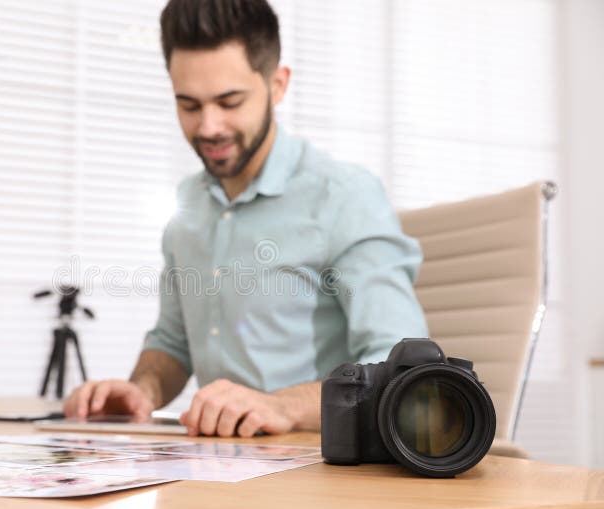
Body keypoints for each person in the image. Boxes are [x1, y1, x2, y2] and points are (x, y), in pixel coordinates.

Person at [64, 0, 428, 437]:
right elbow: (173, 344)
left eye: (229, 101)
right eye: (189, 105)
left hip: (314, 466)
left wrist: (280, 406)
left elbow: (402, 365)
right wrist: (142, 390)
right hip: (217, 462)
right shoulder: (189, 203)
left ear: (277, 85)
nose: (209, 127)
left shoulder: (344, 197)